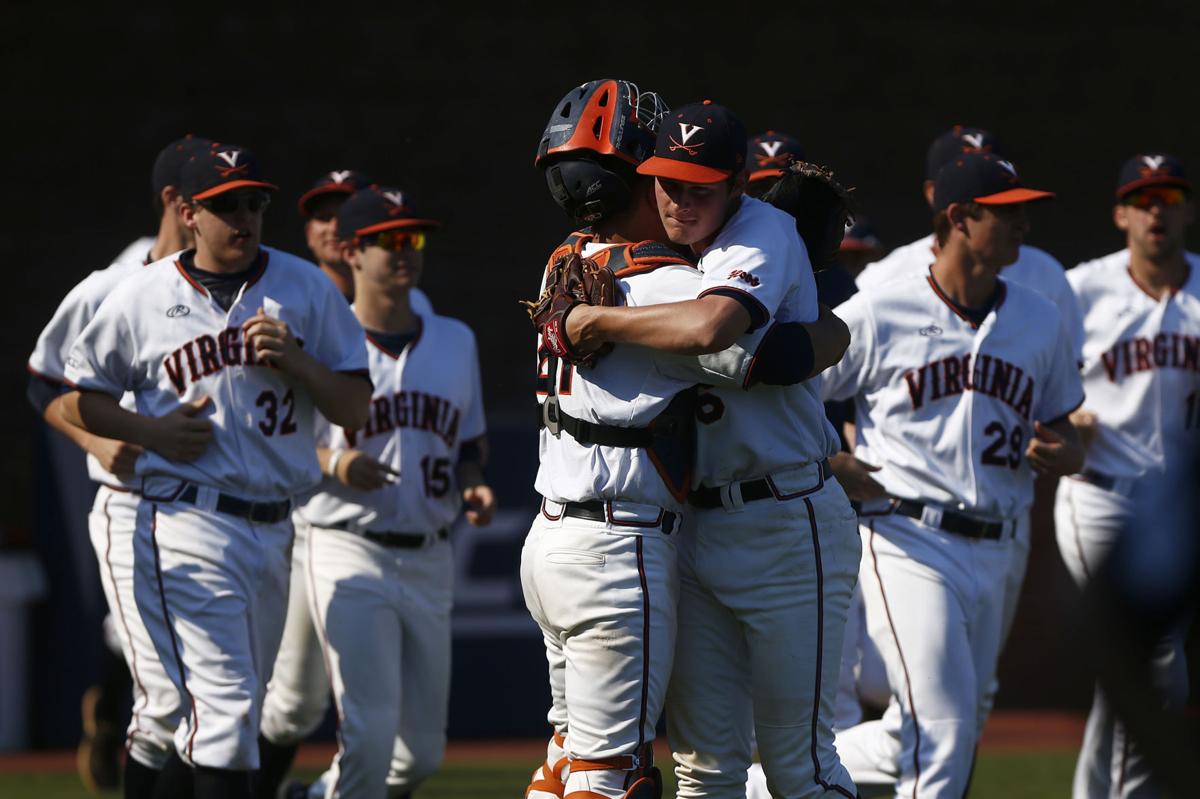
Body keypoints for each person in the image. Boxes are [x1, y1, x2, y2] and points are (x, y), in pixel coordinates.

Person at [525, 84, 850, 799]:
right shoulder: (647, 266)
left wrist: (833, 329)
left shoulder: (751, 232)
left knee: (801, 768)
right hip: (687, 528)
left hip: (785, 518)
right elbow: (747, 347)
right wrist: (832, 330)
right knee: (703, 770)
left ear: (737, 184)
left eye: (701, 184)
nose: (680, 199)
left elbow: (727, 341)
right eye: (665, 181)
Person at [61, 141, 372, 799]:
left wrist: (300, 362)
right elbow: (77, 395)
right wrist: (149, 431)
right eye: (226, 205)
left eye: (254, 203)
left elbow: (355, 403)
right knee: (226, 716)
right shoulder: (143, 293)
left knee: (212, 717)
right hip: (185, 519)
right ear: (191, 213)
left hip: (274, 527)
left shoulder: (305, 287)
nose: (244, 217)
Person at [821, 152, 1085, 798]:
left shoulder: (1037, 317)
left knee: (947, 730)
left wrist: (1065, 454)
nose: (1024, 225)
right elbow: (792, 390)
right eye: (1008, 213)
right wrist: (829, 460)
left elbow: (1066, 430)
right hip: (909, 535)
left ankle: (761, 777)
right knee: (940, 733)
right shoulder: (882, 309)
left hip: (999, 543)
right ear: (960, 218)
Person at [282, 184, 494, 799]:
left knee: (419, 756)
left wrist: (474, 484)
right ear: (351, 252)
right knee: (370, 738)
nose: (406, 251)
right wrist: (335, 462)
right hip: (347, 545)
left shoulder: (455, 339)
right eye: (388, 241)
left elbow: (470, 445)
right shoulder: (321, 342)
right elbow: (276, 443)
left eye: (413, 238)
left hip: (430, 553)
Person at [26, 135, 209, 798]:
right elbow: (43, 384)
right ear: (173, 201)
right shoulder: (113, 284)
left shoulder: (226, 287)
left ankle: (118, 718)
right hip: (129, 495)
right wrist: (96, 444)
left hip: (205, 504)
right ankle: (115, 718)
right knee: (167, 688)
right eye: (204, 199)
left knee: (210, 694)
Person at [256, 169, 435, 799]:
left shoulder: (418, 316)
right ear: (310, 232)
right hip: (307, 524)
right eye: (322, 213)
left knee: (391, 732)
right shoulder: (287, 305)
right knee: (293, 706)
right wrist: (333, 464)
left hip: (380, 528)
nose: (334, 225)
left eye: (346, 212)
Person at [1053, 152, 1200, 799]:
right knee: (1156, 661)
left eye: (1168, 198)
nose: (1156, 211)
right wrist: (1062, 410)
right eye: (1143, 199)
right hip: (1100, 497)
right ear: (1120, 214)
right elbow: (1027, 366)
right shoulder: (1082, 288)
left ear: (1187, 210)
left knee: (1136, 669)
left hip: (1179, 509)